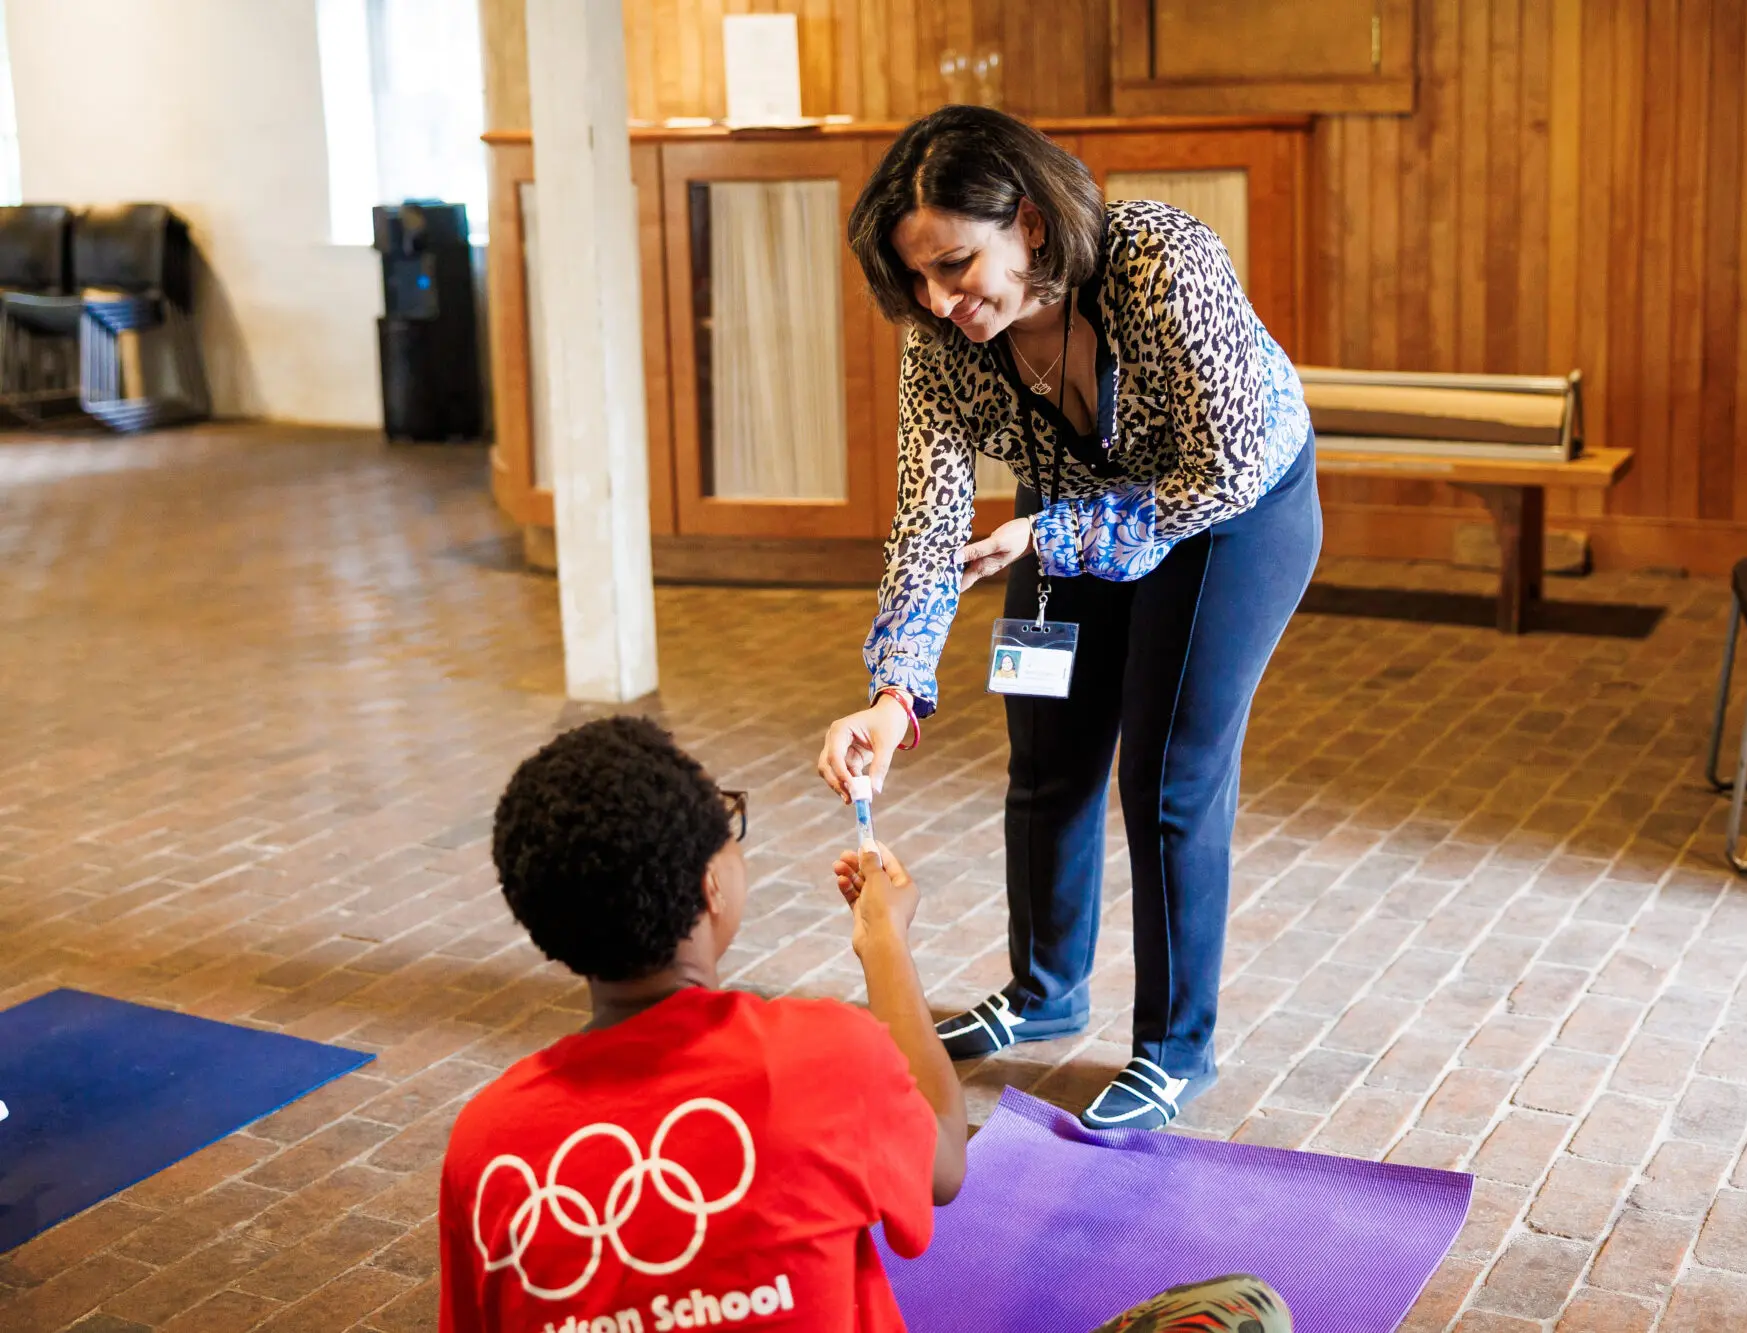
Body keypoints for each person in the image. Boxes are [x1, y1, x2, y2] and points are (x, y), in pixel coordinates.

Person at [439, 716, 1293, 1332]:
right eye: (727, 828)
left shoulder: (485, 1143)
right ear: (710, 887)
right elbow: (944, 1163)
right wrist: (887, 944)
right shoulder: (821, 1053)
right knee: (1244, 1309)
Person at [817, 105, 1323, 1131]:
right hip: (1065, 526)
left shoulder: (1156, 262)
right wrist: (889, 694)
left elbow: (1220, 467)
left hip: (1230, 513)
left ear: (1032, 223)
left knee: (1166, 775)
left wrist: (1054, 533)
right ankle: (1045, 987)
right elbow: (928, 518)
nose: (940, 299)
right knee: (1044, 752)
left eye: (956, 265)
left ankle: (1174, 1047)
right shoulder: (944, 343)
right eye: (917, 278)